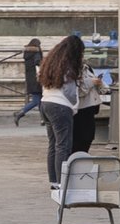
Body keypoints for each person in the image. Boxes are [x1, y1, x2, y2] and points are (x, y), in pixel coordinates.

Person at [40, 34, 97, 197]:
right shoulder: (69, 66)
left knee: (53, 145)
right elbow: (70, 92)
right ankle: (62, 183)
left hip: (46, 103)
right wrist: (74, 107)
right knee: (63, 145)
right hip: (60, 106)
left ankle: (54, 182)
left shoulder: (52, 62)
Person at [15, 36, 45, 127]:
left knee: (40, 99)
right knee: (36, 100)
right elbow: (37, 63)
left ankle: (43, 119)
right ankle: (20, 113)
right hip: (36, 79)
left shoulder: (27, 53)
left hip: (30, 80)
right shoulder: (36, 52)